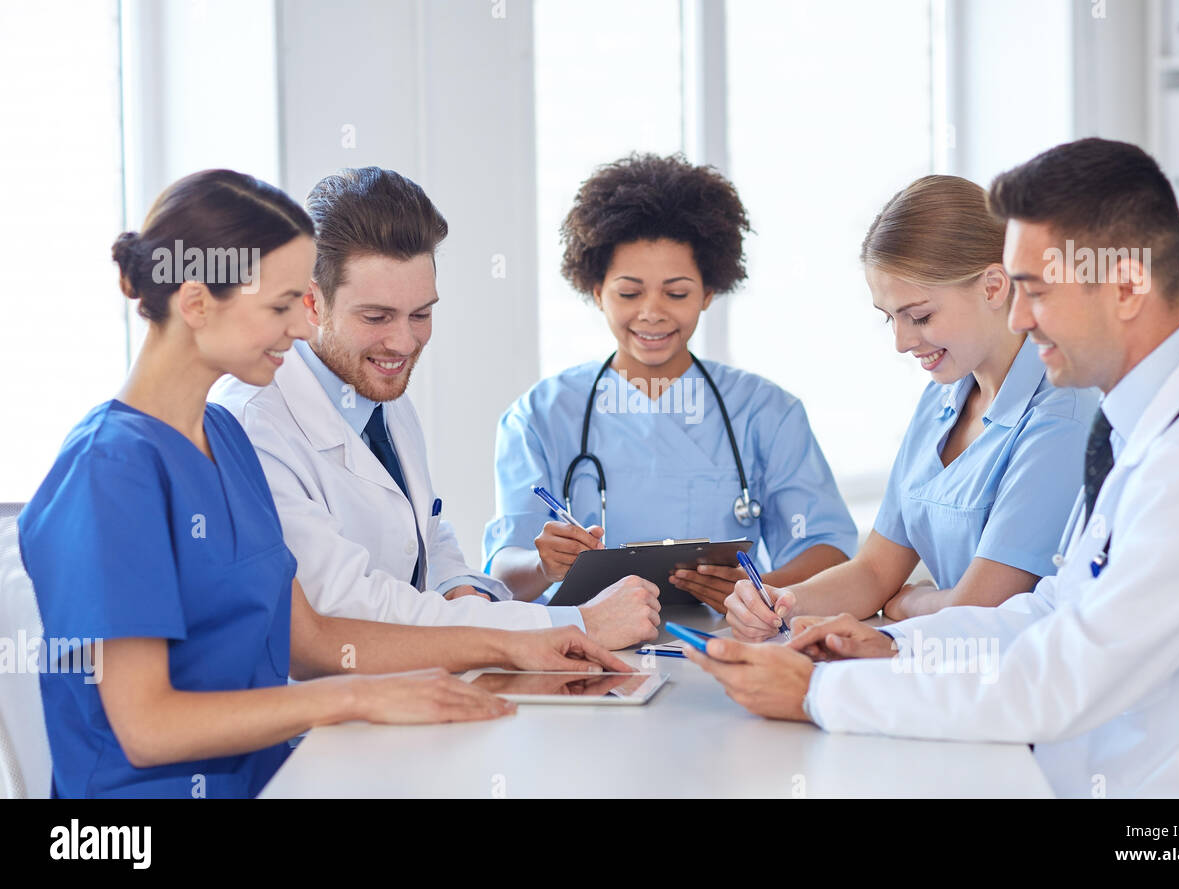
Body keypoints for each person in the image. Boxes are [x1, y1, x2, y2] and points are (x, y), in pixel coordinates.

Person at [687, 139, 1179, 798]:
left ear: (1124, 285)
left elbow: (1064, 675)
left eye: (1035, 291)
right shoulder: (1142, 429)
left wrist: (823, 693)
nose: (1017, 317)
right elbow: (1048, 613)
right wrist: (893, 650)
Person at [18, 170, 631, 799]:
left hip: (272, 778)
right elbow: (146, 728)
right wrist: (361, 694)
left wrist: (519, 644)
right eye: (282, 306)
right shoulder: (109, 470)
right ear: (198, 303)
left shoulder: (222, 439)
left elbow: (311, 637)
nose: (303, 328)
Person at [212, 167, 659, 650]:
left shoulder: (380, 392)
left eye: (421, 314)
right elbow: (339, 603)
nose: (404, 342)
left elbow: (424, 535)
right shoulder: (253, 424)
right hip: (320, 708)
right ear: (311, 303)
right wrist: (574, 626)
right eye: (376, 316)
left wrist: (456, 587)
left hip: (410, 688)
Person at [726, 175, 1095, 640]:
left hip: (1019, 683)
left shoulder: (1061, 416)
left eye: (919, 316)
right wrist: (779, 602)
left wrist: (913, 602)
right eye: (889, 318)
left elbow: (979, 607)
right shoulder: (943, 398)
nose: (902, 342)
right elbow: (876, 572)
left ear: (994, 286)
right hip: (942, 672)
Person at [485, 153, 858, 611]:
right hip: (583, 655)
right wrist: (545, 567)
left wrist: (756, 593)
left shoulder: (767, 412)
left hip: (729, 647)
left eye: (677, 293)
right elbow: (503, 571)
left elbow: (826, 548)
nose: (652, 312)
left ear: (708, 293)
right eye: (629, 292)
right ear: (597, 291)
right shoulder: (540, 415)